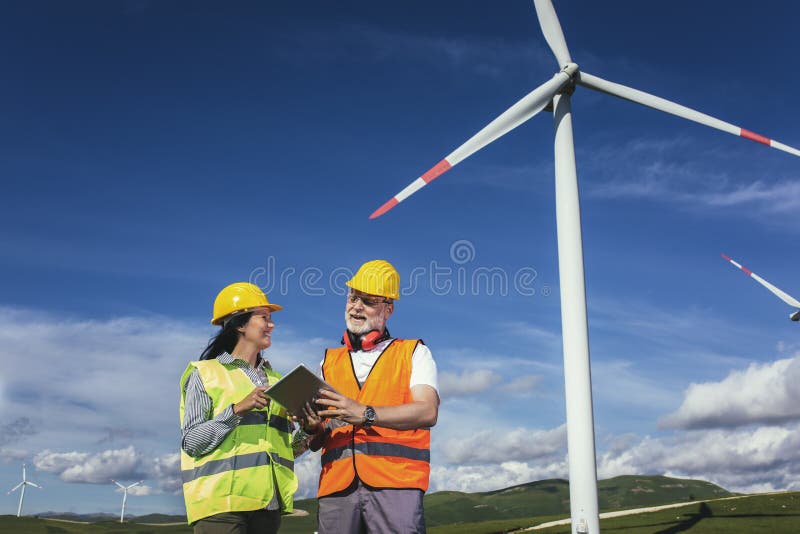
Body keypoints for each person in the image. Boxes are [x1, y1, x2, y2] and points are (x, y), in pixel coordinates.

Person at [301, 260, 440, 534]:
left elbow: (427, 412)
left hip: (396, 484)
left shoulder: (413, 353)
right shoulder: (327, 362)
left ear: (388, 309)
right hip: (336, 488)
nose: (356, 307)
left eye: (368, 301)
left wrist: (365, 413)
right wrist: (312, 427)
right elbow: (318, 440)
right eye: (353, 297)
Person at [179, 282, 298, 533]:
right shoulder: (206, 373)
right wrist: (236, 410)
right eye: (264, 317)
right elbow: (192, 442)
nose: (271, 325)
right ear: (240, 324)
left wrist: (310, 429)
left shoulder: (279, 381)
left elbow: (285, 450)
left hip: (268, 506)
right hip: (221, 506)